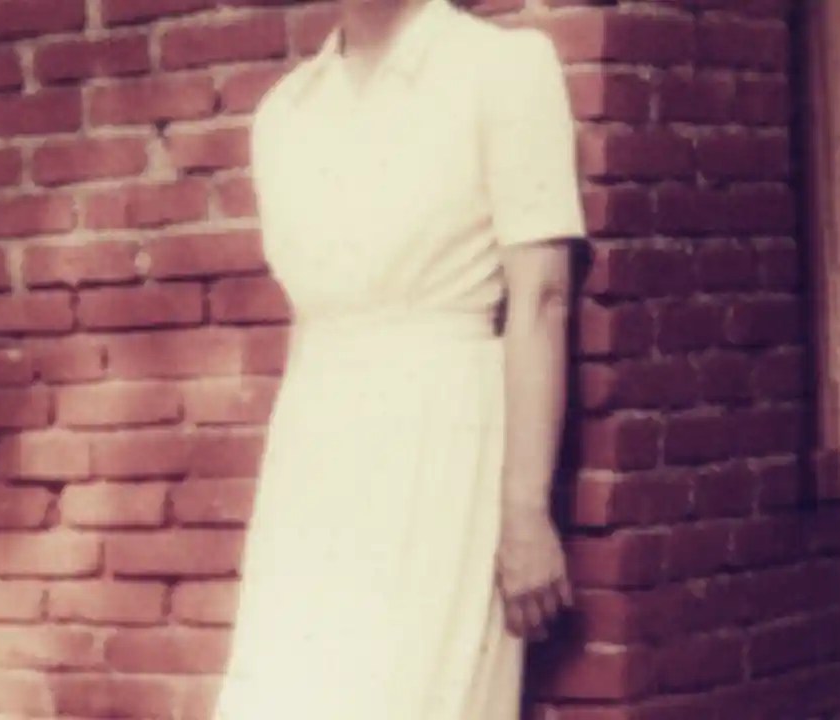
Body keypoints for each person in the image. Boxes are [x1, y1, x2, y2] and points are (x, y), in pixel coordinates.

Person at [212, 0, 585, 717]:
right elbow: (314, 316)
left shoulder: (503, 69)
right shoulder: (286, 112)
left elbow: (541, 299)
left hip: (443, 443)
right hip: (314, 455)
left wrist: (525, 511)